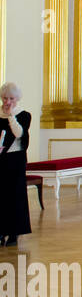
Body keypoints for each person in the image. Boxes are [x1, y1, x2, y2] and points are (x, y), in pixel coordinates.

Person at [0, 82, 33, 247]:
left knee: (15, 197)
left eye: (11, 98)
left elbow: (19, 134)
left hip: (16, 161)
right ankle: (1, 231)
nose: (7, 102)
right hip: (1, 160)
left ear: (17, 99)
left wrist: (10, 115)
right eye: (5, 98)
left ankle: (13, 232)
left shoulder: (23, 115)